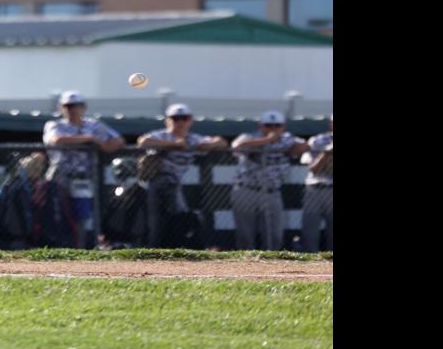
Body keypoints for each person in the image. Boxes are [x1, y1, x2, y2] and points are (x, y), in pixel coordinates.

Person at [135, 103, 226, 247]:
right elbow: (143, 141)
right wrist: (174, 144)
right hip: (154, 183)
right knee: (154, 221)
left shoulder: (193, 139)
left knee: (178, 218)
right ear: (168, 120)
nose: (180, 122)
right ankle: (152, 250)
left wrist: (210, 144)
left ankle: (172, 248)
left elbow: (222, 143)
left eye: (184, 118)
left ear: (190, 120)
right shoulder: (162, 135)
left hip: (173, 184)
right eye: (176, 118)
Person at [42, 90, 123, 247]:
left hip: (84, 179)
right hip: (60, 178)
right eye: (68, 106)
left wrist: (103, 145)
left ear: (83, 107)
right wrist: (89, 139)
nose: (72, 109)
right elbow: (56, 140)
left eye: (76, 106)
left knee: (84, 219)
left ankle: (81, 249)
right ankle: (57, 249)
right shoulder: (55, 124)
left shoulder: (93, 125)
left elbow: (118, 140)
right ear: (61, 108)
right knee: (59, 216)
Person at [229, 110, 308, 250]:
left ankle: (273, 267)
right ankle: (245, 267)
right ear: (261, 126)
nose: (273, 128)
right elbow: (236, 146)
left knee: (274, 235)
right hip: (247, 189)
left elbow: (304, 146)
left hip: (272, 192)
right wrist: (268, 140)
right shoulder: (250, 136)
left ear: (283, 126)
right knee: (245, 235)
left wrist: (293, 148)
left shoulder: (287, 138)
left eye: (277, 125)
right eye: (268, 125)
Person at [300, 116, 333, 252]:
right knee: (310, 229)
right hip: (316, 189)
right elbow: (314, 169)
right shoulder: (318, 140)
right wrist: (326, 153)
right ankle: (309, 262)